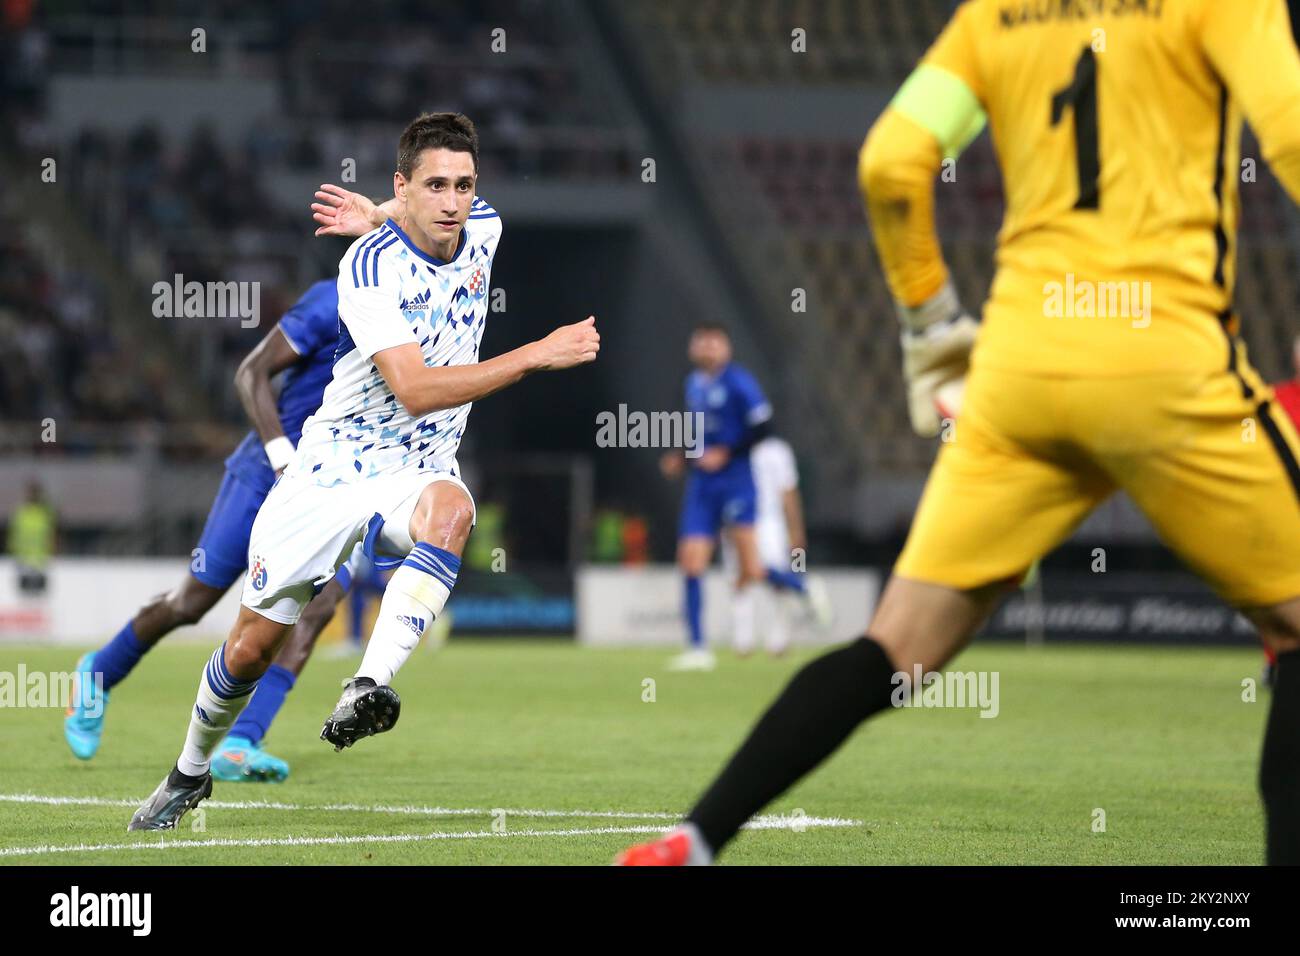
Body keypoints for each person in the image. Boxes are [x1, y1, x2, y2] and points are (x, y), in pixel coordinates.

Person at [619, 0, 1300, 865]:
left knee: (893, 647)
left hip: (1015, 377)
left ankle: (698, 837)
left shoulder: (995, 16)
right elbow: (1290, 137)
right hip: (1163, 363)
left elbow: (891, 163)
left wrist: (929, 321)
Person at [127, 111, 600, 830]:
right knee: (251, 647)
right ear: (403, 185)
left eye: (464, 185)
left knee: (454, 512)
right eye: (434, 185)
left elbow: (438, 211)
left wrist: (385, 206)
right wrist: (535, 353)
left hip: (415, 470)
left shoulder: (485, 228)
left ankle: (368, 684)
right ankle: (190, 772)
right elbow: (412, 389)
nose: (453, 201)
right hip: (330, 471)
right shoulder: (368, 266)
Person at [64, 280, 363, 783]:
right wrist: (280, 457)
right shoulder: (336, 300)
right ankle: (100, 672)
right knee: (193, 601)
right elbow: (250, 374)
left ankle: (243, 741)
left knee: (318, 607)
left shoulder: (417, 315)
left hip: (335, 490)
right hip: (266, 473)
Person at [660, 323, 772, 671]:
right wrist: (682, 455)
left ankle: (803, 587)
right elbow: (697, 432)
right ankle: (698, 648)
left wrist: (728, 452)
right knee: (690, 560)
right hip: (702, 485)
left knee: (751, 568)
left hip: (736, 480)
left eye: (713, 343)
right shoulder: (693, 383)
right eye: (702, 342)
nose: (707, 348)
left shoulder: (740, 382)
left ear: (726, 347)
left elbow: (764, 428)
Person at [720, 434, 831, 656]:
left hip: (769, 521)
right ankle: (743, 641)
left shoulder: (776, 451)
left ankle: (780, 634)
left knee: (769, 576)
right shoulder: (729, 446)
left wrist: (795, 529)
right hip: (736, 517)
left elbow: (788, 492)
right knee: (739, 578)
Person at [8, 481, 55, 596]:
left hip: (42, 562)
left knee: (41, 600)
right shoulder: (20, 512)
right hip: (22, 561)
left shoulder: (45, 513)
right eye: (30, 492)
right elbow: (13, 536)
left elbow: (53, 535)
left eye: (35, 492)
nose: (32, 495)